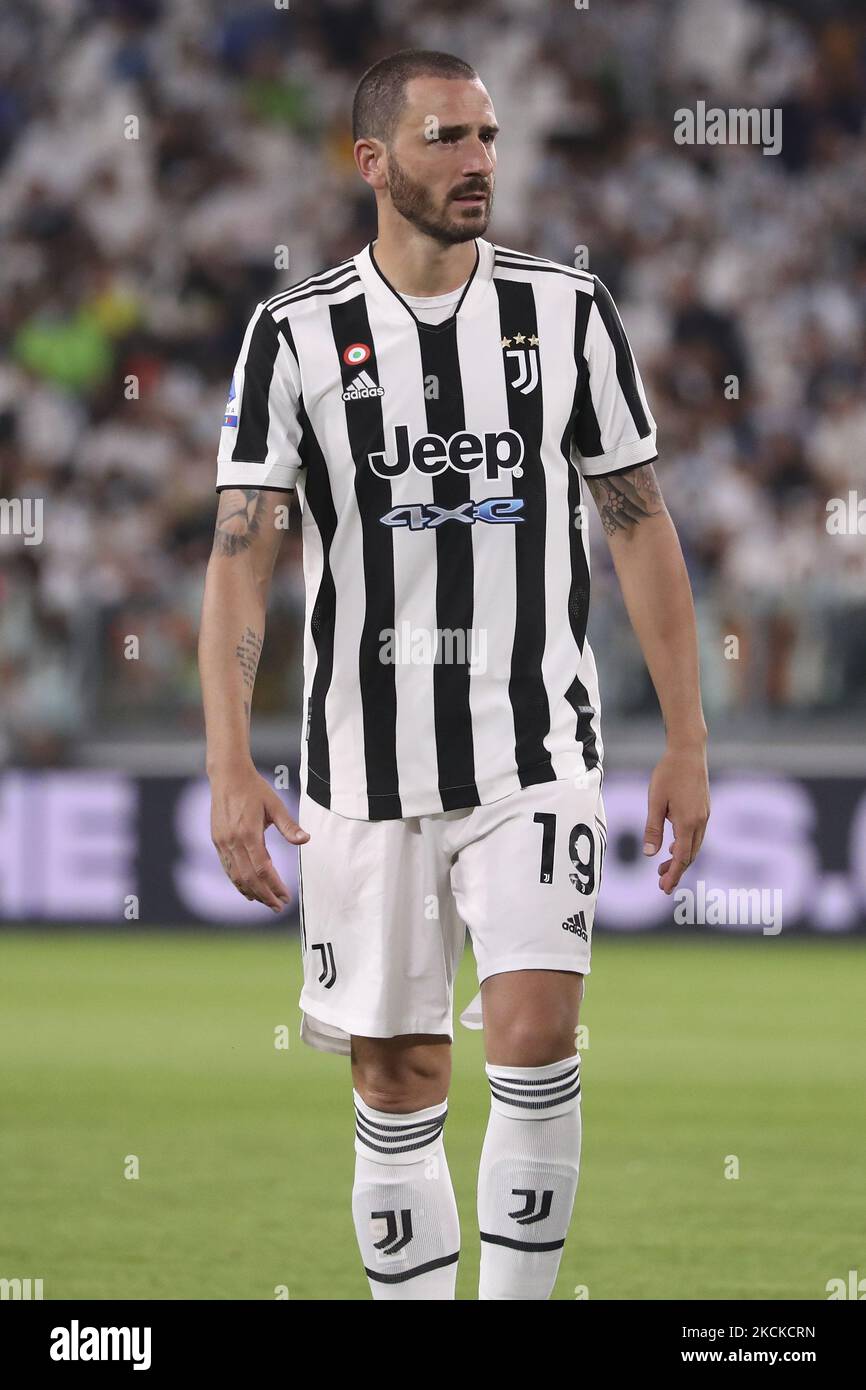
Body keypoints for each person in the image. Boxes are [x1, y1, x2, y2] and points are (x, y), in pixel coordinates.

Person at [198, 49, 710, 1301]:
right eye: (446, 139)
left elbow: (638, 521)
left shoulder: (566, 312)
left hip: (531, 747)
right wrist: (227, 762)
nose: (479, 162)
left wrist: (687, 741)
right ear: (372, 162)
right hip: (361, 768)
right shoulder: (295, 332)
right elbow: (238, 556)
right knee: (397, 1078)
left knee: (534, 1035)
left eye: (487, 136)